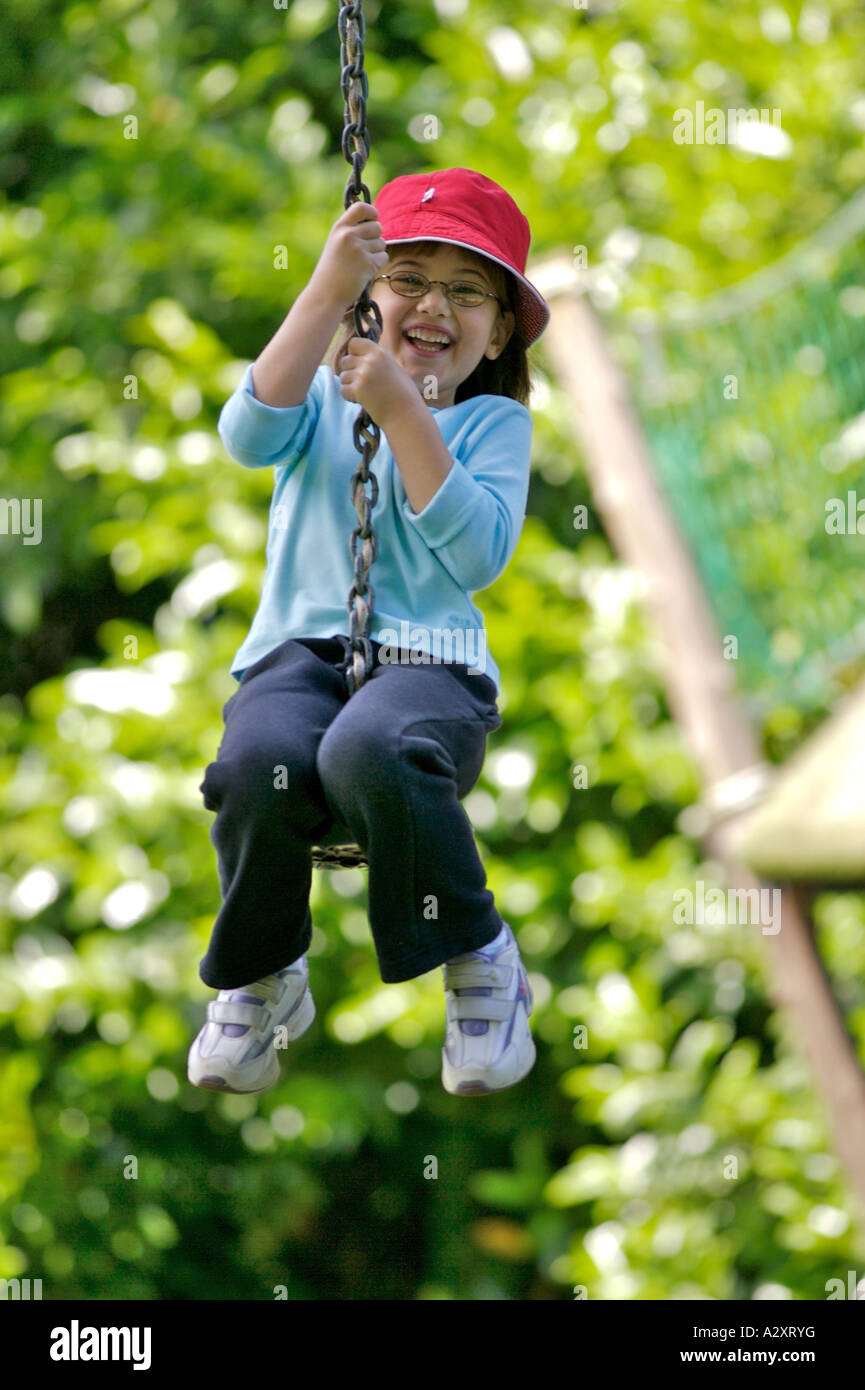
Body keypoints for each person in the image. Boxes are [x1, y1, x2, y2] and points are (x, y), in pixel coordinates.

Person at [187, 167, 550, 1097]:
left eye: (467, 292)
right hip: (298, 655)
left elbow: (473, 552)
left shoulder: (492, 425)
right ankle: (262, 971)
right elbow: (245, 432)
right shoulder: (314, 401)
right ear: (365, 298)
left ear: (500, 330)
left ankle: (478, 955)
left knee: (370, 746)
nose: (434, 306)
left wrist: (400, 408)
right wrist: (321, 294)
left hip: (433, 672)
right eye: (407, 279)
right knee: (253, 762)